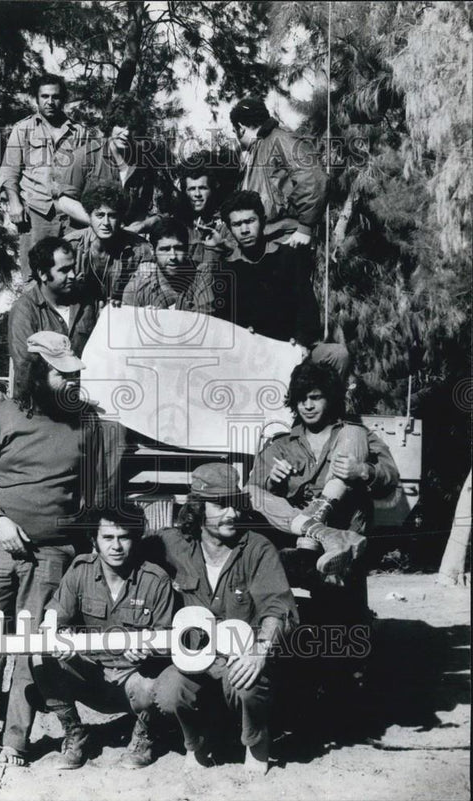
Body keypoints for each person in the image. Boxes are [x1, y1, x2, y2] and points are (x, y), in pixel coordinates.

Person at [0, 332, 112, 767]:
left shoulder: (86, 423)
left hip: (52, 554)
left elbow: (99, 494)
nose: (70, 380)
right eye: (59, 372)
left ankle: (15, 741)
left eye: (74, 372)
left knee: (34, 648)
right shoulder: (2, 417)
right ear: (35, 373)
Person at [150, 464, 298, 776]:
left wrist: (259, 651)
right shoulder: (171, 544)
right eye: (220, 504)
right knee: (168, 692)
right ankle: (198, 741)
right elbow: (122, 553)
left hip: (240, 658)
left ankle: (256, 740)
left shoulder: (257, 548)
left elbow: (278, 609)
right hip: (194, 661)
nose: (231, 513)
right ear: (197, 510)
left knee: (249, 680)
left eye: (236, 503)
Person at [31, 503, 175, 770]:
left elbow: (167, 638)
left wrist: (150, 651)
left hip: (133, 678)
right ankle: (75, 734)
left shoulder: (156, 580)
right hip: (92, 673)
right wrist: (58, 637)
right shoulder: (80, 570)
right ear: (94, 541)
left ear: (136, 538)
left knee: (154, 682)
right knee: (41, 658)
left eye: (124, 537)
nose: (116, 546)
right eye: (108, 538)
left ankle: (143, 738)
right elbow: (55, 616)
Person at [246, 361, 399, 579]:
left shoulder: (357, 434)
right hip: (295, 533)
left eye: (315, 398)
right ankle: (324, 533)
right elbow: (254, 493)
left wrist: (363, 470)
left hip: (343, 521)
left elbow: (391, 477)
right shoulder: (281, 444)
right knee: (249, 491)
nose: (307, 406)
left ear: (330, 398)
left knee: (354, 432)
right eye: (301, 399)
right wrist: (272, 481)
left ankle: (323, 523)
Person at [213, 190, 350, 380]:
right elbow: (223, 323)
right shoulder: (225, 269)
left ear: (262, 220)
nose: (244, 230)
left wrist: (301, 344)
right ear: (229, 228)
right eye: (237, 224)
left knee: (337, 355)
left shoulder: (288, 256)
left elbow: (307, 308)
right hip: (250, 355)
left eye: (250, 221)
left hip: (291, 349)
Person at [0, 74, 88, 280]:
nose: (50, 101)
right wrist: (14, 203)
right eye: (44, 96)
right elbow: (9, 170)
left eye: (55, 96)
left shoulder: (79, 132)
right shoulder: (23, 129)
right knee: (35, 275)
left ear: (63, 99)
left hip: (72, 214)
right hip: (36, 213)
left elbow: (88, 173)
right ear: (36, 99)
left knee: (73, 272)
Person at [57, 92, 165, 235]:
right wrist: (102, 224)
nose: (126, 133)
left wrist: (135, 228)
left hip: (122, 239)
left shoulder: (144, 165)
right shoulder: (85, 156)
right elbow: (65, 201)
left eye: (132, 127)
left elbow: (141, 210)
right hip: (84, 236)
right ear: (110, 125)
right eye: (120, 125)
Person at [230, 95, 329, 248]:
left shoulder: (280, 139)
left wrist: (305, 227)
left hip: (286, 238)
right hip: (267, 238)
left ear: (240, 127)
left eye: (234, 131)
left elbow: (314, 177)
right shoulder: (259, 148)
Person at [8, 236, 97, 400]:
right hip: (42, 408)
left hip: (86, 400)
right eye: (64, 270)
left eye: (73, 268)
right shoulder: (24, 310)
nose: (72, 275)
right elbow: (25, 368)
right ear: (42, 274)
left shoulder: (87, 303)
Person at [64, 179, 152, 305]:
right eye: (99, 215)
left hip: (120, 313)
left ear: (121, 217)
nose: (105, 223)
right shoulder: (71, 246)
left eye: (112, 216)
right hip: (80, 312)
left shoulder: (140, 249)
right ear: (89, 216)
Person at [122, 217, 215, 313]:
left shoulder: (200, 275)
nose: (173, 256)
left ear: (187, 248)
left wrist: (163, 317)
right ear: (152, 250)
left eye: (178, 248)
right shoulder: (137, 287)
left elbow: (205, 318)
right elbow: (127, 324)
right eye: (165, 249)